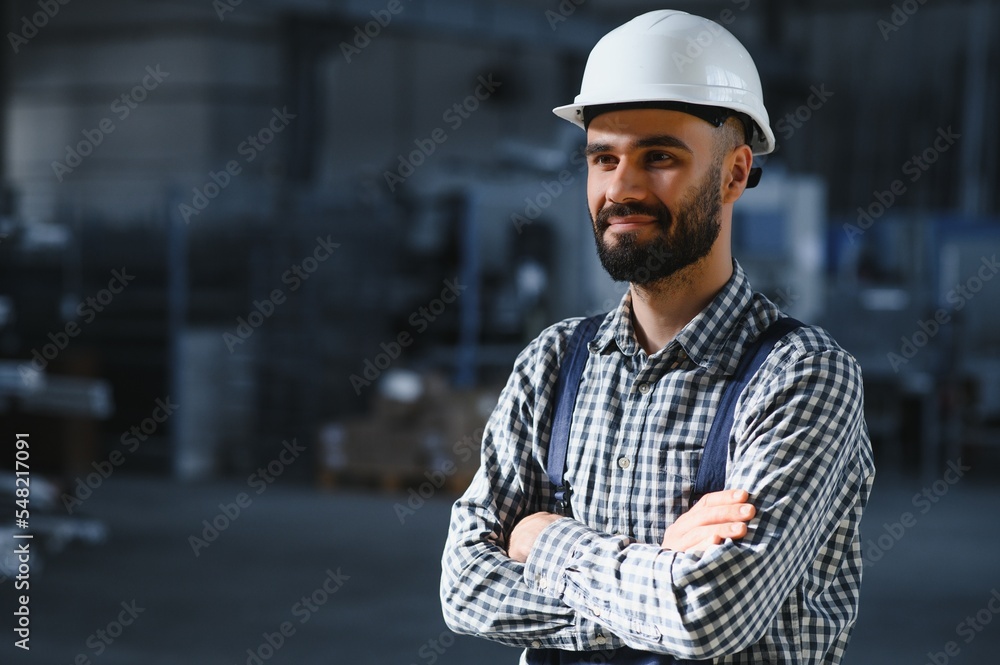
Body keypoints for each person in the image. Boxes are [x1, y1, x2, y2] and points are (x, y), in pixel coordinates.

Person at [440, 9, 875, 664]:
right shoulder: (554, 363)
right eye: (603, 157)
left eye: (660, 157)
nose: (622, 186)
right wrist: (662, 568)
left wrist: (541, 537)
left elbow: (709, 617)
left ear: (734, 173)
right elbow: (464, 586)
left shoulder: (803, 376)